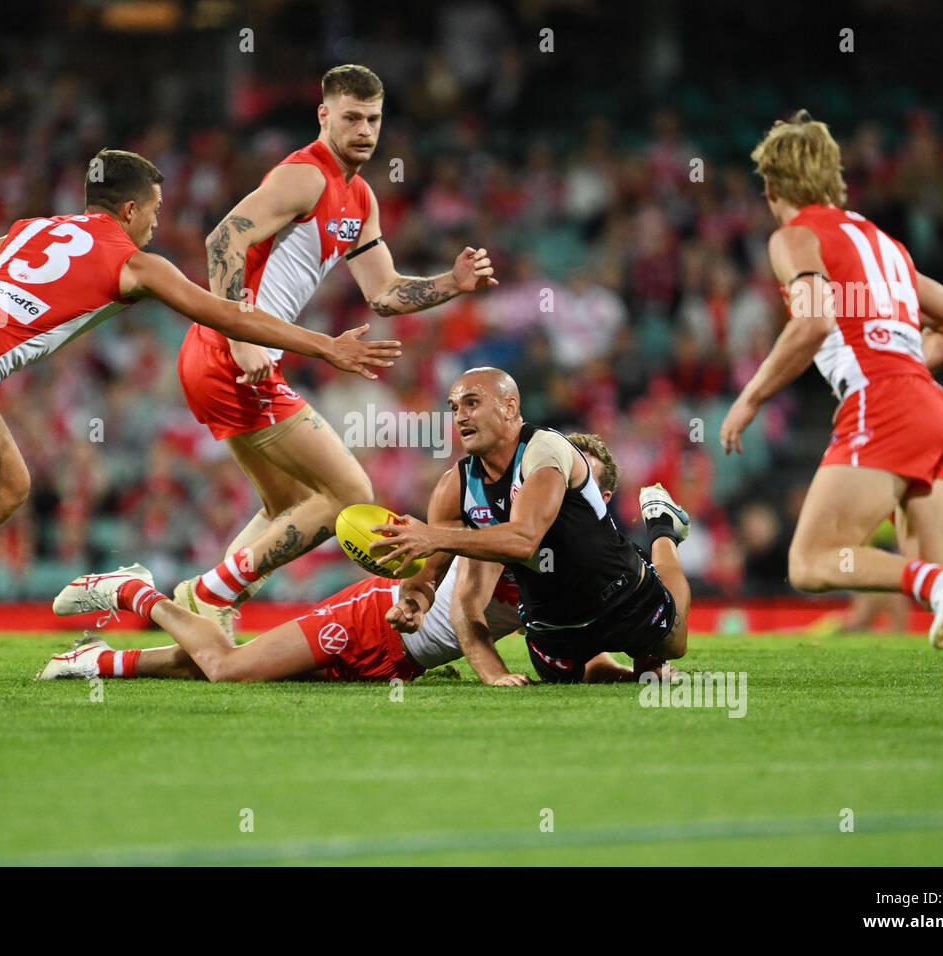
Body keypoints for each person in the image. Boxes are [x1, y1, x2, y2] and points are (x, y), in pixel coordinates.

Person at [0, 148, 399, 695]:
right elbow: (232, 316)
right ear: (128, 209)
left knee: (12, 486)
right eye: (154, 209)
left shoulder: (36, 228)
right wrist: (326, 346)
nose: (156, 221)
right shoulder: (137, 264)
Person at [719, 111, 943, 731]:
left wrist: (753, 396)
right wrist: (901, 363)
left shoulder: (794, 237)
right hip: (936, 411)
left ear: (772, 185)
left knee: (811, 562)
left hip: (884, 405)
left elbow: (813, 320)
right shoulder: (881, 241)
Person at [175, 64, 496, 637]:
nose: (365, 130)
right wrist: (240, 335)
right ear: (324, 115)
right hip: (230, 352)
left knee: (290, 506)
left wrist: (451, 283)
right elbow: (222, 237)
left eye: (373, 119)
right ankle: (206, 593)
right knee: (349, 493)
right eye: (351, 117)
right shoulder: (306, 177)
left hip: (228, 356)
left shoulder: (360, 196)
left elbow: (384, 294)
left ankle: (210, 609)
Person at [41, 433, 675, 685]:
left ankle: (96, 659)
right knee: (232, 670)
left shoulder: (565, 559)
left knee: (236, 672)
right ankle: (133, 592)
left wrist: (637, 672)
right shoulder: (502, 525)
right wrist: (485, 669)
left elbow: (579, 652)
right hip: (373, 619)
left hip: (401, 662)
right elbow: (469, 604)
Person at [369, 368, 691, 682]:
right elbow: (429, 576)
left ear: (510, 406)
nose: (460, 416)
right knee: (577, 678)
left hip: (620, 596)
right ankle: (640, 666)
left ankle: (662, 528)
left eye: (472, 403)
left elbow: (524, 539)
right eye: (454, 407)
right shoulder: (453, 488)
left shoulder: (544, 450)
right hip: (550, 627)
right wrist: (413, 602)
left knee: (674, 644)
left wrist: (433, 536)